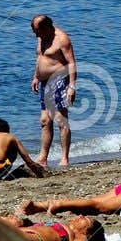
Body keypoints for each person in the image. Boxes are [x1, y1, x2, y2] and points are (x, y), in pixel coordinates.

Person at [30, 14, 76, 169]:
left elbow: (71, 63)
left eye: (38, 31)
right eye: (35, 32)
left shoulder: (62, 39)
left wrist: (72, 87)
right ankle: (43, 158)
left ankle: (64, 158)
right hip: (44, 83)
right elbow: (40, 57)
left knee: (61, 120)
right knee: (45, 121)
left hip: (59, 81)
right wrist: (36, 76)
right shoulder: (41, 37)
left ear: (47, 28)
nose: (36, 35)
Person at [0, 117, 47, 182]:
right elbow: (28, 161)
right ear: (7, 130)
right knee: (13, 149)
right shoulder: (11, 137)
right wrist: (40, 176)